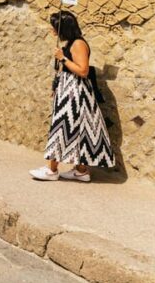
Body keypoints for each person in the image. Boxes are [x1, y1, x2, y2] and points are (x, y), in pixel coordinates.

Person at [30, 12, 115, 182]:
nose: (51, 28)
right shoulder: (71, 43)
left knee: (62, 127)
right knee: (78, 129)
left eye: (54, 25)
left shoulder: (78, 44)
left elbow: (83, 70)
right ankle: (81, 171)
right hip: (69, 89)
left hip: (75, 92)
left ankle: (52, 170)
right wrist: (56, 85)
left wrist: (62, 58)